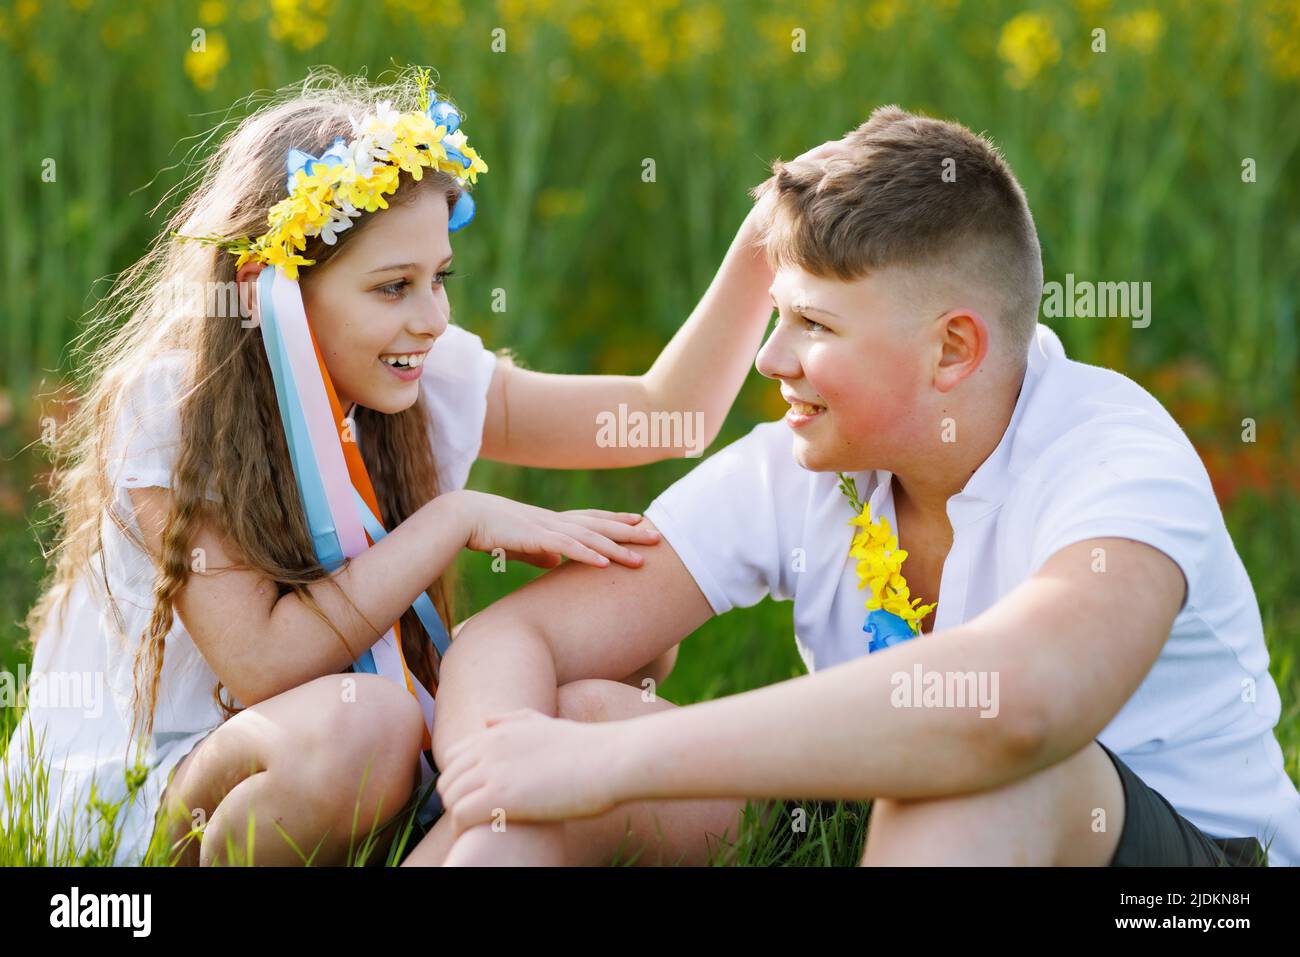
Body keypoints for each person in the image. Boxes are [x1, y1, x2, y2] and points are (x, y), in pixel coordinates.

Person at [424, 106, 1299, 867]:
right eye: (780, 315)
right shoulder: (814, 458)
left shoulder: (1116, 458)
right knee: (576, 718)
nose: (771, 358)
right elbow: (522, 633)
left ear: (952, 349)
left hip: (1193, 883)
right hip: (879, 816)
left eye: (814, 324)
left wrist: (612, 767)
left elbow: (1014, 707)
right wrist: (501, 769)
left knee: (974, 773)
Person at [1, 66, 779, 866]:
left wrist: (767, 237)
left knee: (621, 624)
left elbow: (661, 415)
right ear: (269, 291)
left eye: (440, 278)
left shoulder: (423, 372)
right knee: (361, 723)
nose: (433, 317)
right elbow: (263, 666)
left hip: (354, 750)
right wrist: (455, 520)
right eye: (393, 287)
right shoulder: (178, 405)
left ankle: (458, 834)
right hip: (163, 783)